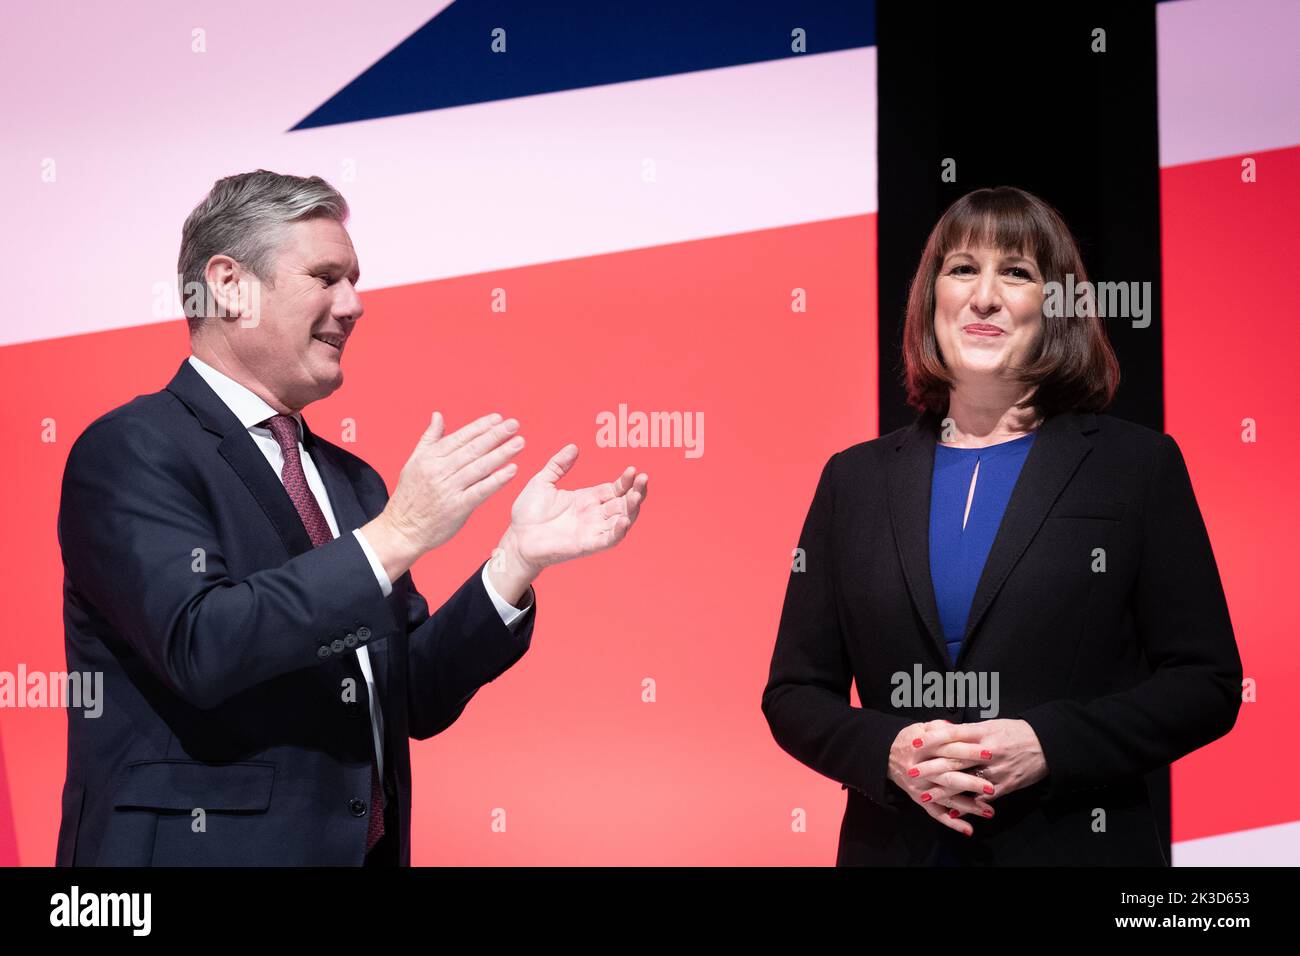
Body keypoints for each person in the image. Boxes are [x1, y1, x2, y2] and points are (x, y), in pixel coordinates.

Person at [55, 169, 648, 866]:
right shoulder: (132, 448)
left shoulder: (350, 482)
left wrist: (514, 564)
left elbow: (413, 697)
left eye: (355, 279)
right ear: (228, 284)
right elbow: (200, 645)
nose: (355, 304)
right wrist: (394, 537)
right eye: (326, 276)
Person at [761, 186, 1241, 865]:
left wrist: (1049, 744)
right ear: (933, 300)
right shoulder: (854, 479)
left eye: (1016, 273)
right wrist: (887, 753)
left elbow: (1206, 683)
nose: (984, 297)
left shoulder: (1137, 466)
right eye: (962, 269)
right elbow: (794, 692)